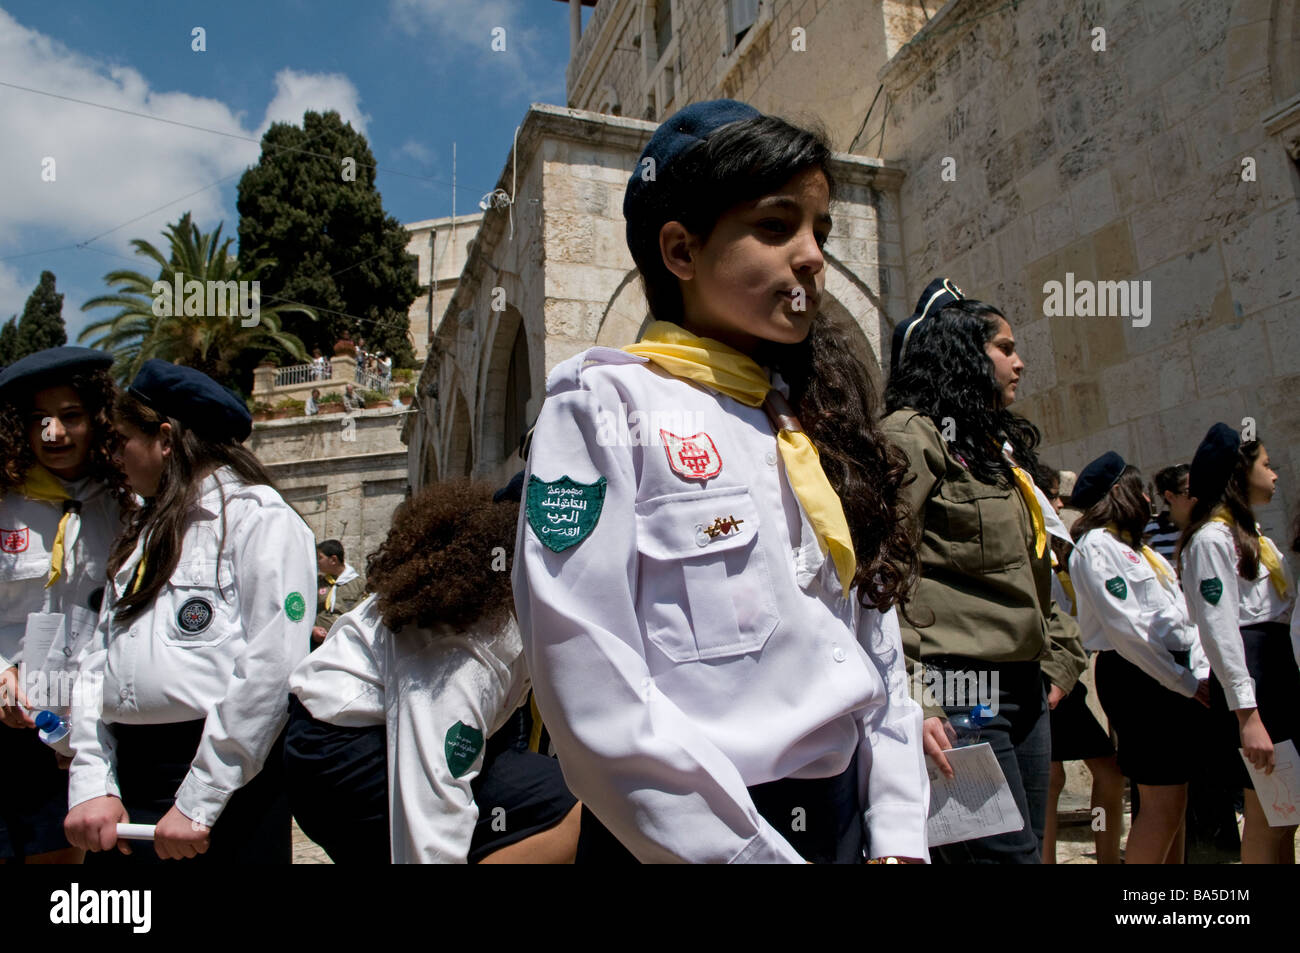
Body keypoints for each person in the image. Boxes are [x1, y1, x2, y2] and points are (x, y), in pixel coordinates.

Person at [514, 100, 929, 864]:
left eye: (820, 232)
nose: (811, 257)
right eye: (776, 227)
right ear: (681, 249)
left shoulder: (812, 424)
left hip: (842, 822)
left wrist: (899, 833)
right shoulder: (605, 408)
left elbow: (874, 646)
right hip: (687, 834)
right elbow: (590, 676)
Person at [63, 359, 316, 863]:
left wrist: (199, 801)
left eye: (121, 440)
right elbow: (97, 662)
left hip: (222, 786)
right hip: (127, 783)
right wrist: (92, 780)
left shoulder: (257, 520)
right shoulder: (143, 533)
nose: (114, 456)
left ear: (165, 439)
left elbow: (271, 668)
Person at [881, 279, 1087, 864]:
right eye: (1004, 347)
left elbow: (1037, 567)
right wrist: (916, 699)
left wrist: (1061, 657)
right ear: (964, 354)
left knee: (1028, 854)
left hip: (1023, 690)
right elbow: (878, 573)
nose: (1019, 362)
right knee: (999, 860)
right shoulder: (911, 435)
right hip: (959, 691)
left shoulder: (997, 455)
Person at [284, 478, 580, 863]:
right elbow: (432, 784)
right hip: (345, 759)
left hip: (361, 742)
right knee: (582, 810)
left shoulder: (498, 596)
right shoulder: (466, 633)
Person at [0, 347, 132, 865]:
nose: (53, 433)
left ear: (97, 420)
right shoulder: (5, 500)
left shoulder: (125, 506)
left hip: (76, 724)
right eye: (39, 420)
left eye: (70, 417)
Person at [1068, 452, 1211, 864]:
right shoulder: (1097, 548)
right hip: (1141, 677)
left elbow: (1178, 614)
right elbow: (1128, 630)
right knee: (1161, 807)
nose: (1150, 501)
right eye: (1142, 491)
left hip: (1162, 674)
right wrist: (1184, 682)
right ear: (1119, 492)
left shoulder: (1132, 548)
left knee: (1174, 805)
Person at [1178, 423, 1297, 864]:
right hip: (1256, 681)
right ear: (1240, 473)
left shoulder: (1251, 534)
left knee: (1286, 812)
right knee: (1267, 813)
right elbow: (1220, 629)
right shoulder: (1212, 538)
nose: (1275, 474)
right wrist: (1248, 715)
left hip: (1278, 673)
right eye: (1266, 465)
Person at [1033, 465, 1123, 865]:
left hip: (1066, 674)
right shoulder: (1036, 549)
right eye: (1051, 496)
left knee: (1104, 771)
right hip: (1043, 674)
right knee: (1052, 779)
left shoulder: (1058, 549)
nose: (1058, 504)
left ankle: (1106, 855)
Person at [312, 539, 364, 647]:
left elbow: (362, 617)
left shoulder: (359, 585)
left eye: (320, 558)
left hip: (345, 644)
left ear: (333, 560)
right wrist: (313, 629)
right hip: (318, 645)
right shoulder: (317, 583)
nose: (317, 562)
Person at [1145, 464, 1192, 560]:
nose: (1196, 496)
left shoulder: (1209, 526)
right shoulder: (1151, 533)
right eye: (1189, 491)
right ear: (1170, 496)